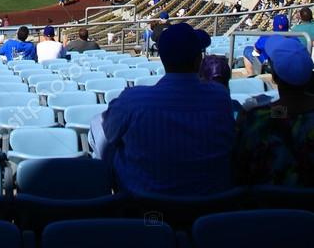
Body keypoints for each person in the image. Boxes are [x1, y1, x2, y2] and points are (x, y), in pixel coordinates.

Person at [95, 22, 234, 195]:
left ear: (161, 57)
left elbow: (108, 135)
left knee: (98, 123)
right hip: (209, 207)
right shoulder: (221, 97)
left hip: (142, 206)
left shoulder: (132, 99)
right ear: (199, 60)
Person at [234, 35, 314, 186]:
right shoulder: (268, 113)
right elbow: (295, 110)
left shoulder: (257, 117)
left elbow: (240, 168)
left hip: (266, 205)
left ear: (275, 77)